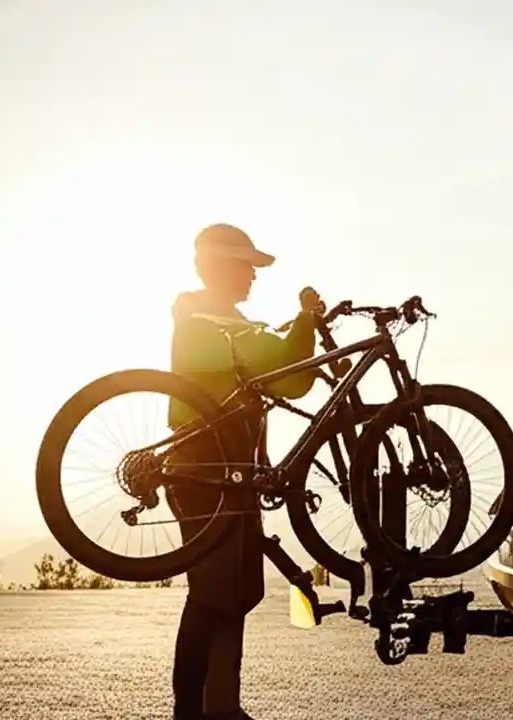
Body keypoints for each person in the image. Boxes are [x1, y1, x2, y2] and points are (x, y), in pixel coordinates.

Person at [164, 223, 325, 720]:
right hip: (206, 472)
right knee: (217, 593)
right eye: (246, 267)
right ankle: (200, 710)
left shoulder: (221, 320)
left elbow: (280, 370)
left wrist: (299, 327)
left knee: (227, 592)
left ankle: (216, 707)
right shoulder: (205, 322)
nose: (254, 278)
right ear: (221, 267)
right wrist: (302, 322)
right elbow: (284, 369)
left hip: (229, 473)